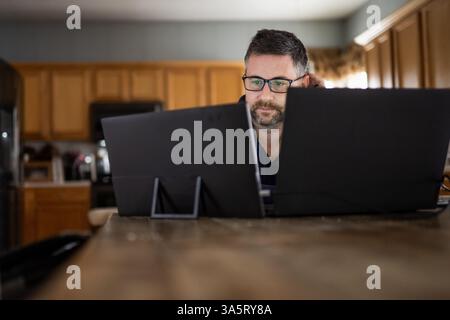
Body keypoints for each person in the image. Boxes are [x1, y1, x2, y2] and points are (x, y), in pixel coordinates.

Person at [238, 29, 324, 193]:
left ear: (304, 83)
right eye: (256, 81)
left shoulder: (329, 135)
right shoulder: (217, 137)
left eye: (279, 83)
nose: (265, 97)